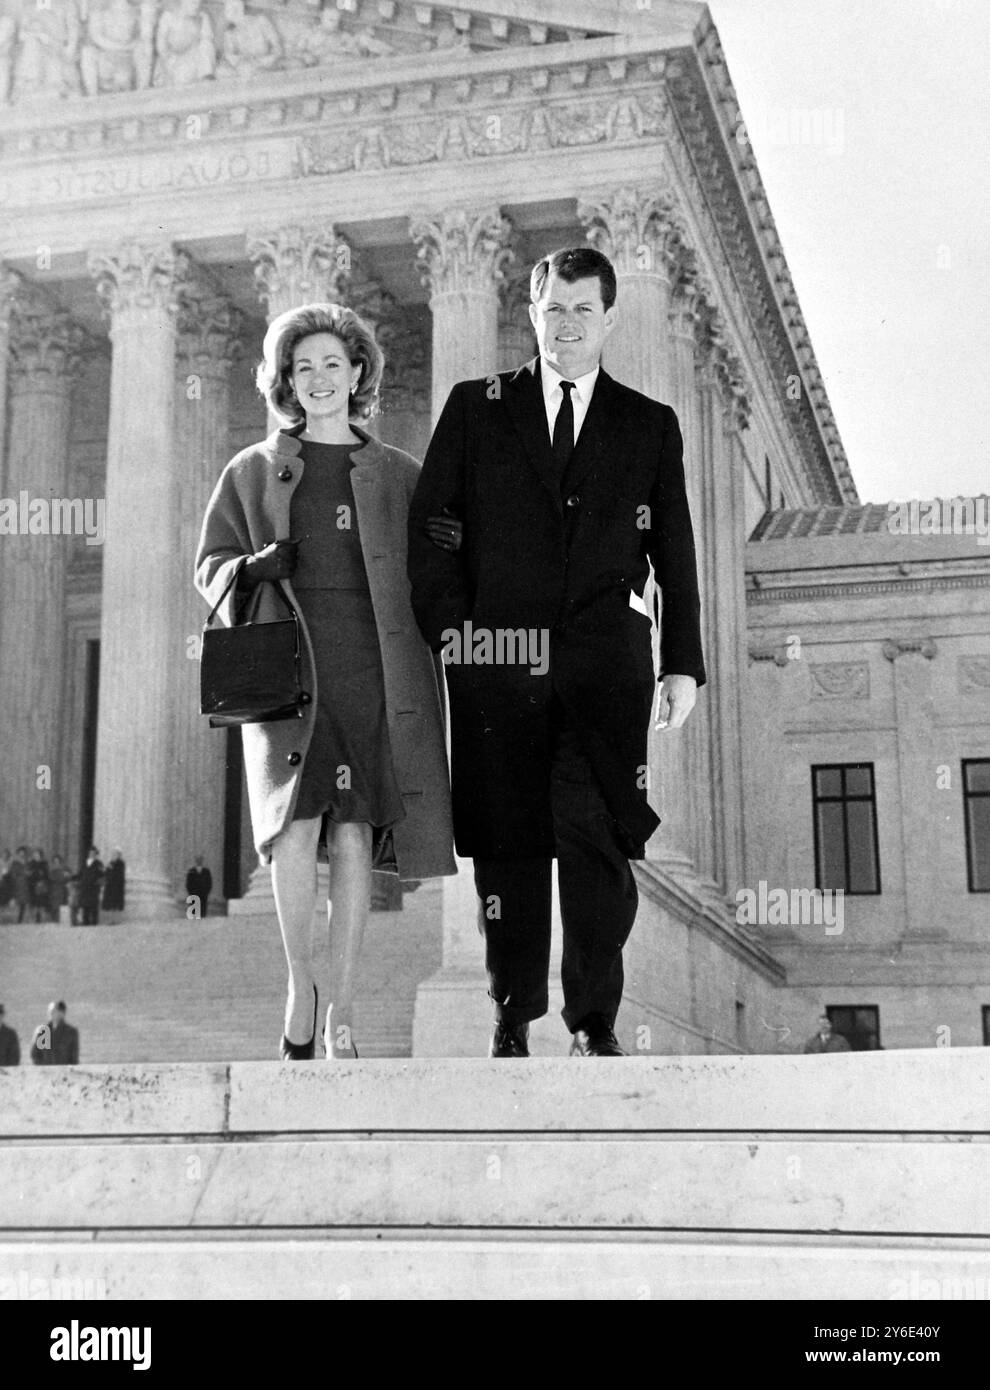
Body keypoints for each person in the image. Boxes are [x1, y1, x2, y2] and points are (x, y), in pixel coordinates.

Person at [408, 245, 706, 1059]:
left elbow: (674, 550)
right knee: (508, 846)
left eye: (583, 309)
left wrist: (682, 660)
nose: (567, 324)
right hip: (495, 665)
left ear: (609, 318)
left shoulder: (649, 424)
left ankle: (594, 1021)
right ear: (530, 315)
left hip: (605, 667)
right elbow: (433, 531)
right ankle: (512, 1010)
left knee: (596, 839)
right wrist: (454, 634)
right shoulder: (478, 408)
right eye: (553, 309)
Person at [196, 302, 456, 1061]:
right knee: (290, 829)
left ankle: (341, 1007)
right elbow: (208, 562)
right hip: (290, 665)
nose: (317, 378)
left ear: (358, 374)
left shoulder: (401, 471)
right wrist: (249, 570)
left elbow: (442, 565)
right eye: (302, 366)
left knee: (352, 831)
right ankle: (298, 984)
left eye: (331, 365)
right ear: (284, 380)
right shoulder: (249, 470)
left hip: (375, 666)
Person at [30, 1000, 79, 1066]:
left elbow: (73, 1057)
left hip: (64, 1072)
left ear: (62, 1013)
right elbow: (35, 1055)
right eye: (49, 1010)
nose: (50, 1012)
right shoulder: (43, 1031)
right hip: (45, 1072)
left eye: (53, 1010)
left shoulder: (71, 1032)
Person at [77, 847, 104, 926]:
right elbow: (80, 874)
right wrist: (73, 877)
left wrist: (98, 883)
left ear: (96, 854)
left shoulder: (99, 863)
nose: (91, 855)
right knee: (85, 906)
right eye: (90, 853)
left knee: (94, 906)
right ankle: (86, 922)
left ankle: (94, 923)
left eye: (93, 853)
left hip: (94, 888)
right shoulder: (84, 863)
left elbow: (102, 875)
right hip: (85, 887)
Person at [26, 847, 51, 923]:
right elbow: (28, 874)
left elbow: (47, 875)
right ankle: (32, 918)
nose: (36, 855)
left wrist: (43, 880)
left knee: (40, 902)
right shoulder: (31, 863)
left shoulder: (44, 863)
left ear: (40, 855)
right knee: (33, 902)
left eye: (37, 854)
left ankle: (40, 918)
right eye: (34, 854)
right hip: (32, 885)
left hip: (41, 885)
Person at [102, 849, 126, 923]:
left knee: (116, 905)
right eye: (113, 854)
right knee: (110, 905)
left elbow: (120, 874)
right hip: (110, 886)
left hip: (117, 886)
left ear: (119, 855)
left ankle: (116, 920)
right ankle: (111, 920)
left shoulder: (121, 863)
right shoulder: (110, 862)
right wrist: (106, 869)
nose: (114, 855)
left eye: (115, 854)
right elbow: (106, 873)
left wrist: (111, 868)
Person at [9, 846, 30, 924]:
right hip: (18, 884)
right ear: (18, 853)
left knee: (23, 902)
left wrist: (27, 874)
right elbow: (13, 873)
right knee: (17, 901)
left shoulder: (26, 862)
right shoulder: (15, 862)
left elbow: (28, 871)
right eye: (20, 852)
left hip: (25, 884)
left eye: (23, 852)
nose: (22, 854)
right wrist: (21, 874)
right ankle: (16, 919)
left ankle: (21, 919)